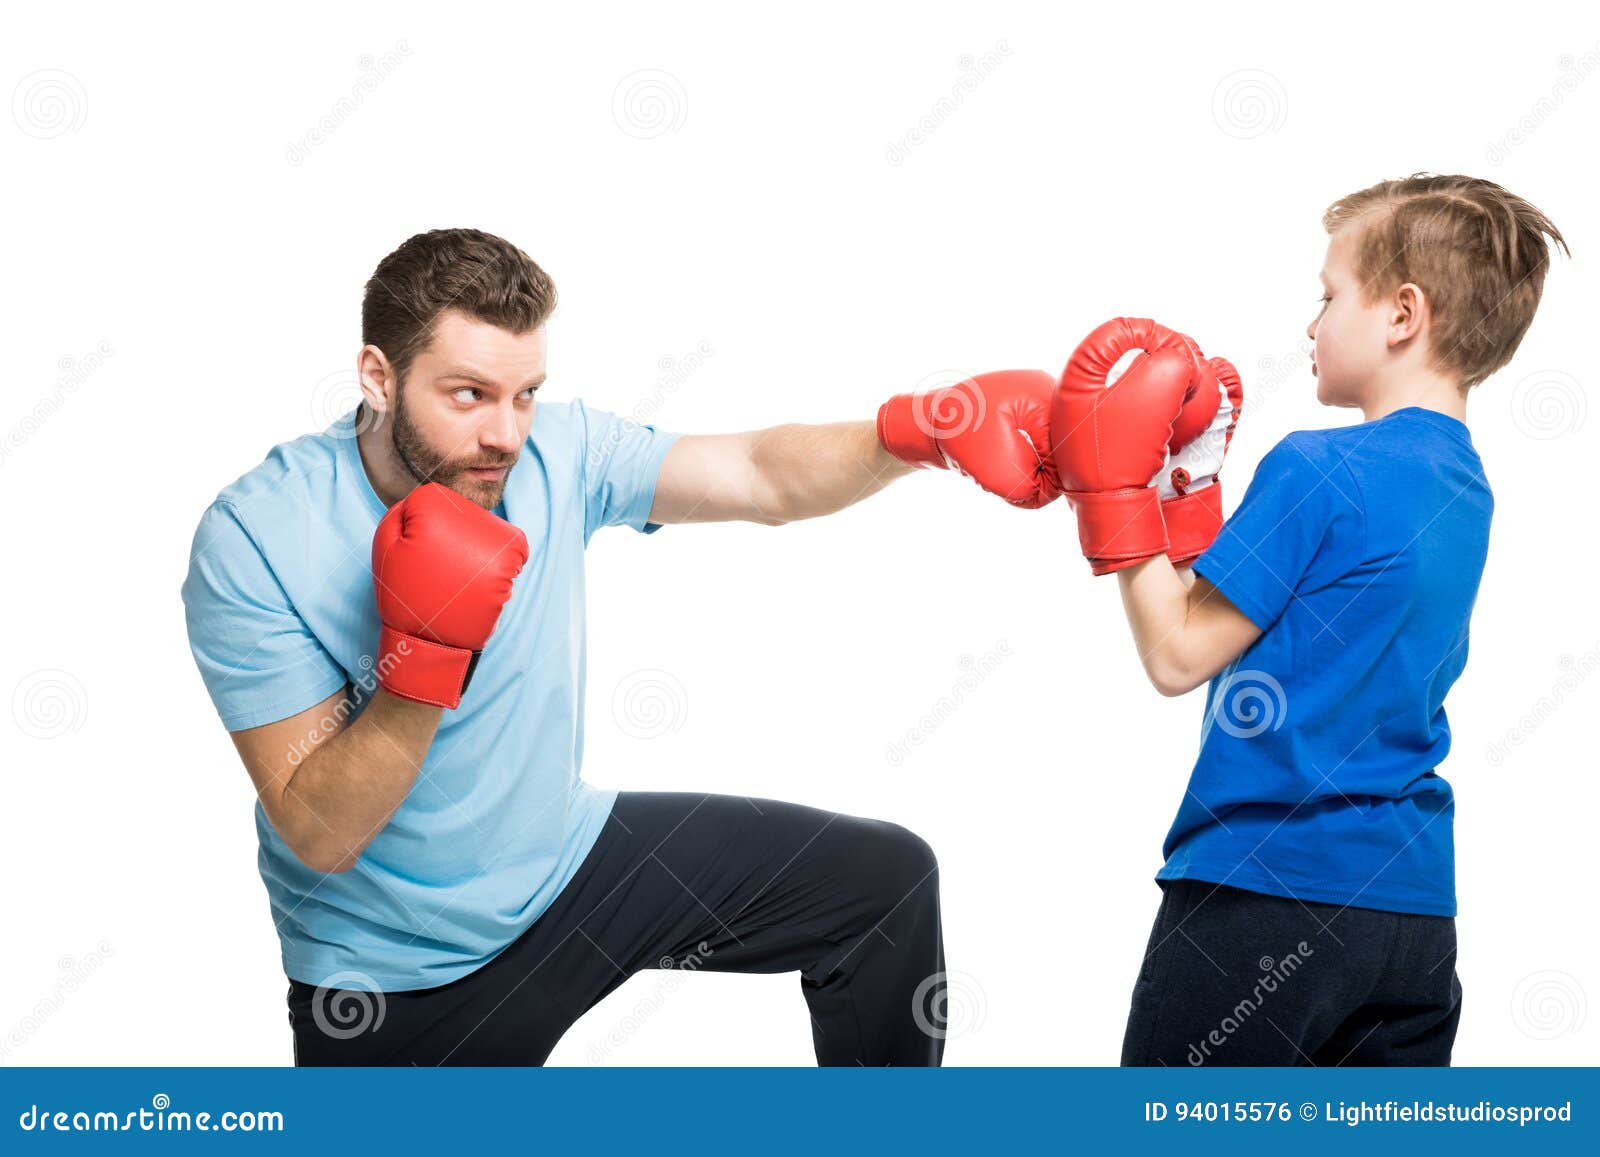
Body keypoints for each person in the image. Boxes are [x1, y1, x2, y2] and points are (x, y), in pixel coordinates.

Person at [181, 227, 1061, 1066]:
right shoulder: (256, 534)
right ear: (377, 375)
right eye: (468, 395)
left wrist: (918, 431)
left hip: (565, 867)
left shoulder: (559, 450)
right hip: (395, 976)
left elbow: (761, 473)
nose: (506, 434)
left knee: (884, 885)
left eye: (525, 393)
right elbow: (319, 831)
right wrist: (424, 654)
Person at [1049, 174, 1566, 1065]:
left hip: (1262, 894)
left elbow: (1178, 652)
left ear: (1403, 314)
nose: (1311, 325)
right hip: (1409, 920)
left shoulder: (1316, 467)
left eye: (1329, 296)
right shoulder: (1465, 487)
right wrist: (1191, 489)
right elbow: (1288, 610)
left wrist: (1114, 489)